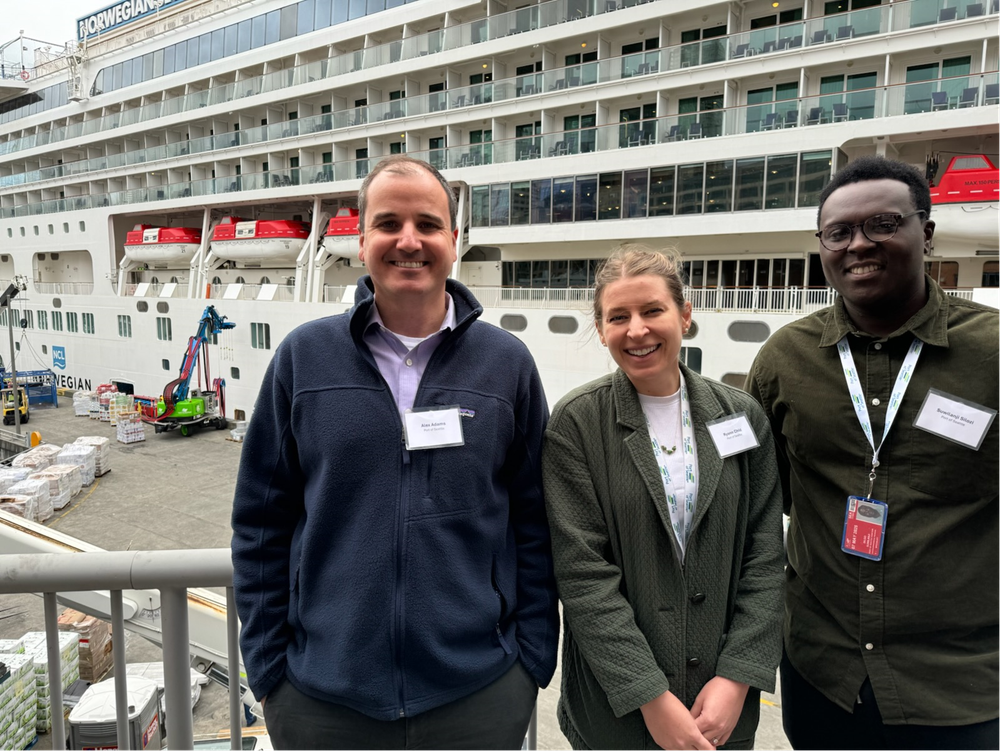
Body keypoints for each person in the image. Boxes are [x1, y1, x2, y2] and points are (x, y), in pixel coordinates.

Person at [231, 155, 559, 749]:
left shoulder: (506, 364)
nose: (409, 241)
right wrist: (270, 670)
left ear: (454, 241)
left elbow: (535, 520)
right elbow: (261, 522)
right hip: (322, 699)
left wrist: (530, 661)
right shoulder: (304, 358)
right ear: (361, 242)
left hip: (479, 694)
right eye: (388, 224)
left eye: (428, 225)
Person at [746, 155, 1000, 750]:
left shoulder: (992, 353)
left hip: (961, 688)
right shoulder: (786, 358)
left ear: (926, 233)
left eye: (883, 224)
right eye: (838, 233)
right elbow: (772, 491)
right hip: (824, 676)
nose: (859, 244)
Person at [543, 244, 784, 751]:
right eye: (618, 317)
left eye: (652, 310)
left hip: (721, 710)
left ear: (685, 314)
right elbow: (583, 575)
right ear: (601, 327)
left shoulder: (739, 416)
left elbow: (764, 559)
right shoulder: (577, 423)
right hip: (616, 714)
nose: (636, 330)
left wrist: (738, 677)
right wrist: (648, 696)